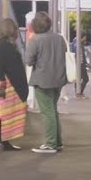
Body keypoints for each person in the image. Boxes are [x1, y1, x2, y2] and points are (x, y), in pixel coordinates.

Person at [25, 11, 68, 154]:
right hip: (58, 79)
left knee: (47, 112)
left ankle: (50, 144)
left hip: (42, 80)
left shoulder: (35, 40)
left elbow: (29, 61)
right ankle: (57, 142)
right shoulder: (59, 38)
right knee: (53, 110)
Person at [0, 17, 29, 151]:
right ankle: (4, 141)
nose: (16, 31)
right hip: (6, 84)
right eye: (15, 28)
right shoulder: (4, 46)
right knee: (6, 113)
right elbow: (5, 66)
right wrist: (3, 82)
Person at [72, 34, 91, 98]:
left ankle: (77, 92)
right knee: (85, 79)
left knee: (78, 78)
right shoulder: (78, 45)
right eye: (84, 38)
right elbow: (81, 56)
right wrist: (84, 63)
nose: (85, 40)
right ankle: (79, 92)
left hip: (78, 64)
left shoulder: (75, 43)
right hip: (80, 64)